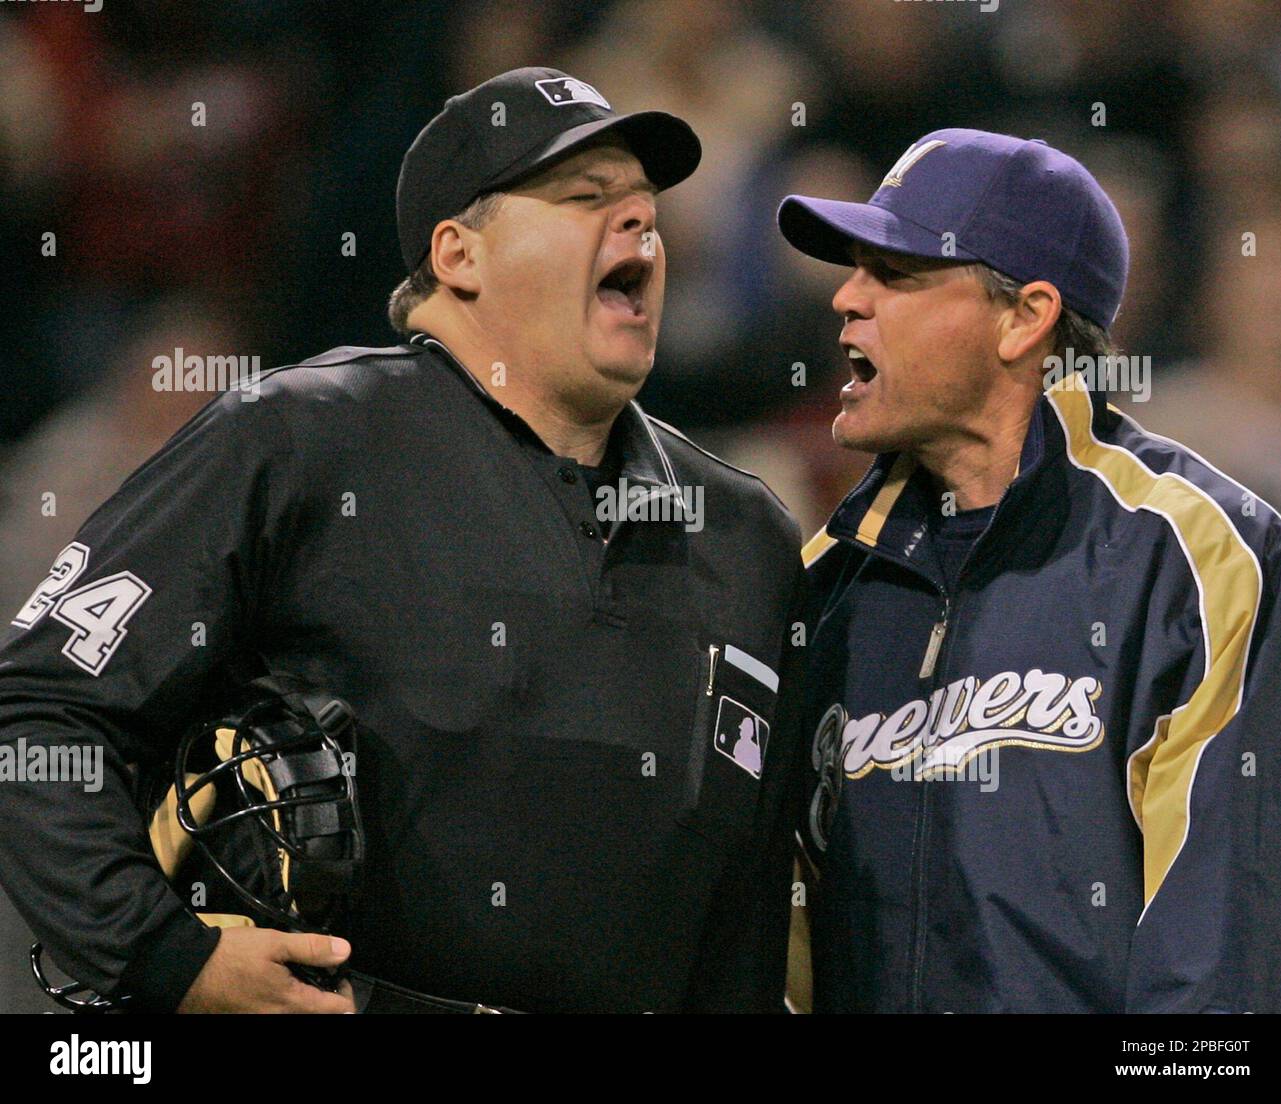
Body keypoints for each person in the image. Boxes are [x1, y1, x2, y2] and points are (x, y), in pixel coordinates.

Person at [0, 68, 806, 1014]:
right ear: (459, 255)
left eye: (646, 209)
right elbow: (39, 714)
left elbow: (751, 913)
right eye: (588, 199)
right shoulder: (299, 438)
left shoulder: (743, 534)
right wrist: (164, 956)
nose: (641, 229)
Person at [778, 128, 1281, 1013]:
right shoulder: (827, 581)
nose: (845, 298)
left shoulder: (1197, 557)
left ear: (1026, 317)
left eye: (893, 273)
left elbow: (1222, 973)